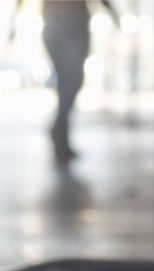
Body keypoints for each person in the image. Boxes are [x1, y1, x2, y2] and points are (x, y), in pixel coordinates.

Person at [14, 0, 118, 161]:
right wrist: (114, 14)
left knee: (67, 80)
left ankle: (60, 129)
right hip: (69, 21)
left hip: (55, 21)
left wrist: (13, 22)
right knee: (71, 80)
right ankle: (60, 128)